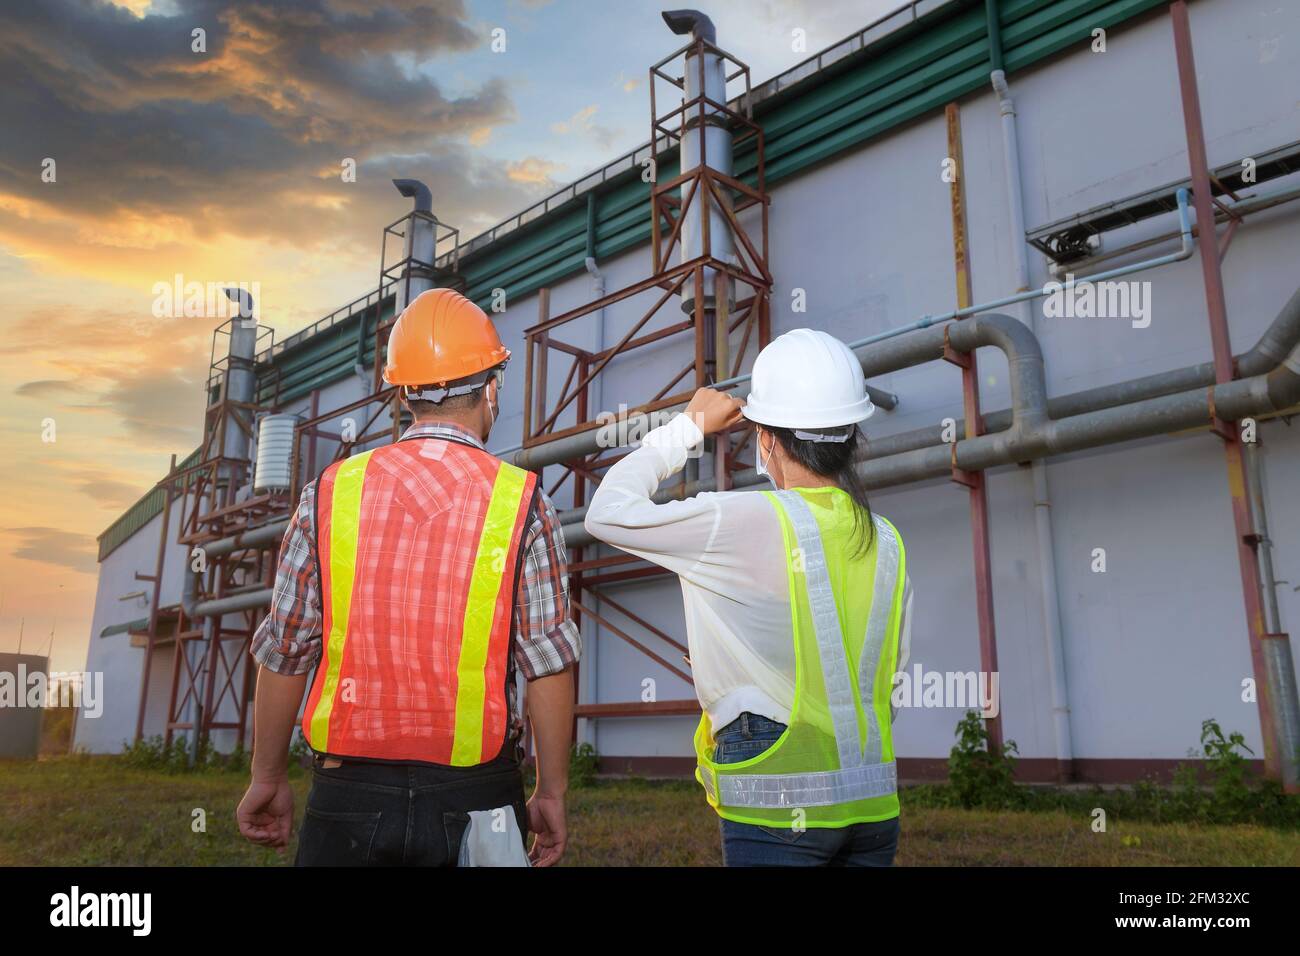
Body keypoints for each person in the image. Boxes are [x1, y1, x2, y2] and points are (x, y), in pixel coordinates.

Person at [237, 288, 580, 867]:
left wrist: (267, 773)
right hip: (479, 801)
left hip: (347, 797)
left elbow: (286, 649)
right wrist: (551, 790)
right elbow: (547, 663)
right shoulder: (522, 502)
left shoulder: (328, 494)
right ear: (491, 389)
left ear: (402, 393)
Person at [584, 327, 912, 867]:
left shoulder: (742, 518)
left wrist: (687, 427)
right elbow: (880, 673)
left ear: (767, 440)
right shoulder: (888, 539)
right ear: (852, 435)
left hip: (779, 803)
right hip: (873, 806)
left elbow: (607, 512)